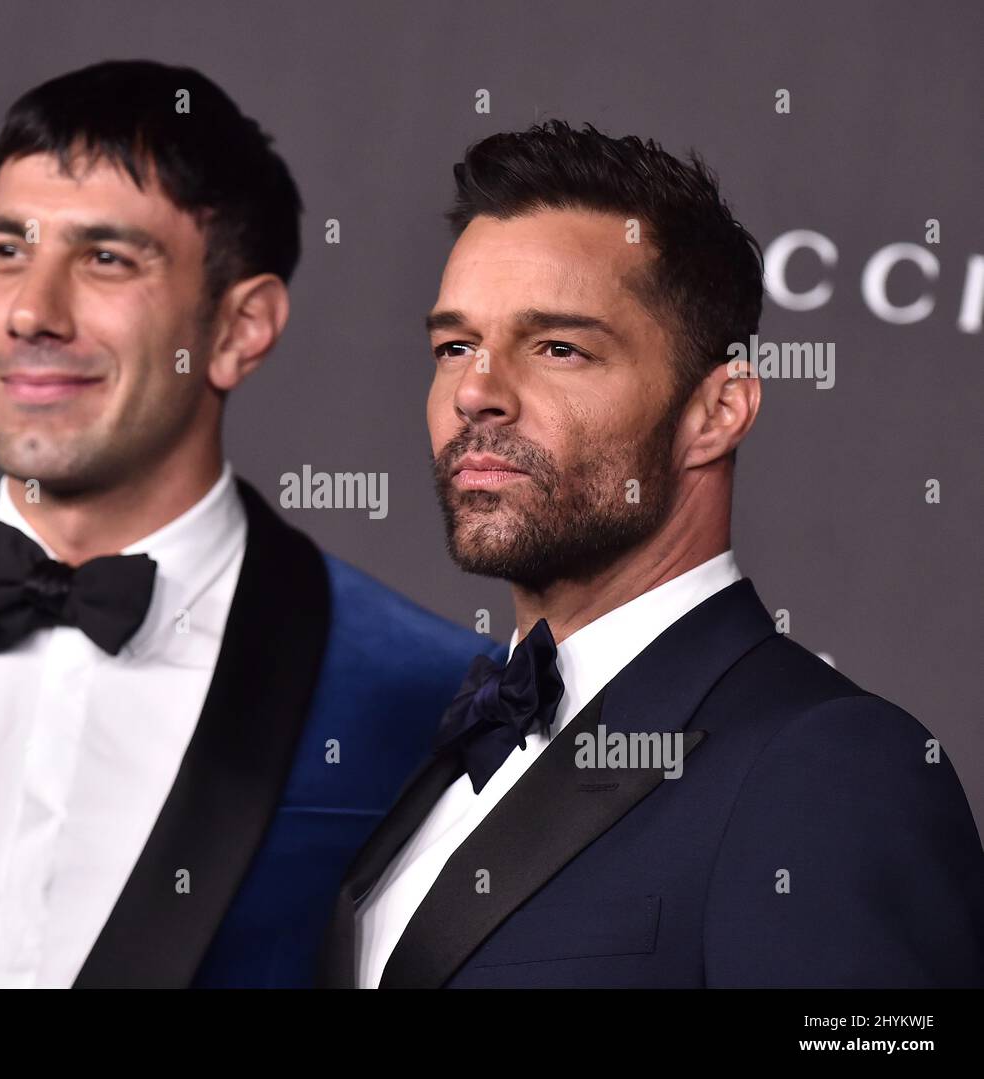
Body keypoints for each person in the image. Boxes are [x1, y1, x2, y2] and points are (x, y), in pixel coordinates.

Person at [0, 60, 495, 989]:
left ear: (240, 328)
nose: (34, 310)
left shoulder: (422, 697)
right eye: (5, 252)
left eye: (107, 258)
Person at [321, 120, 984, 989]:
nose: (477, 392)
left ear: (718, 411)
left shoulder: (830, 770)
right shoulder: (449, 734)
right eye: (455, 346)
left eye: (559, 347)